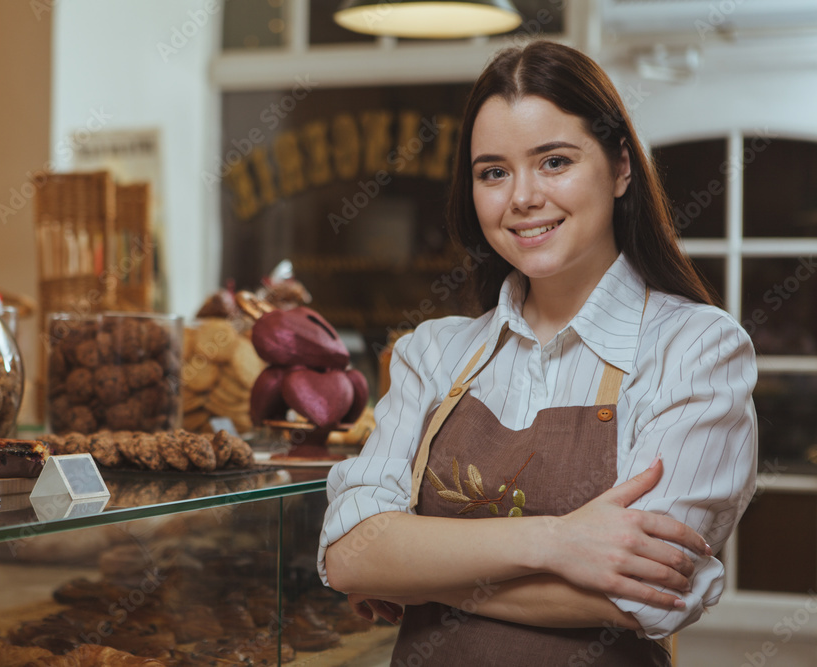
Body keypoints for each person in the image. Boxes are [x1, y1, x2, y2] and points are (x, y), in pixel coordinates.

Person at [318, 40, 757, 667]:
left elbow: (645, 596)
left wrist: (421, 574)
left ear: (621, 167)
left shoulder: (695, 348)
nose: (522, 196)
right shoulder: (433, 353)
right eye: (493, 172)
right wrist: (557, 542)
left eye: (554, 161)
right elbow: (349, 554)